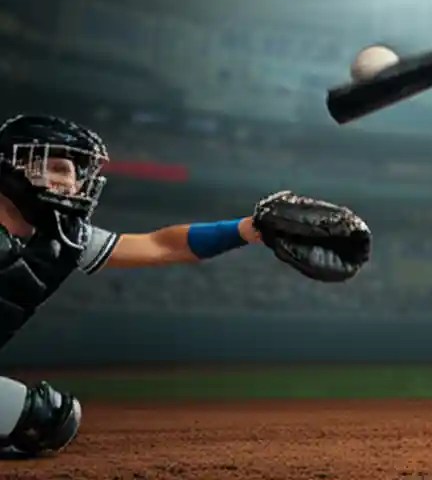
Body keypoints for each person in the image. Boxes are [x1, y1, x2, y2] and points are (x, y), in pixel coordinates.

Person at [0, 113, 371, 458]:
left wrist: (247, 229)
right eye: (54, 166)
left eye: (71, 171)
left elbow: (161, 245)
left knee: (51, 421)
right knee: (39, 415)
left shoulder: (62, 240)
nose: (68, 181)